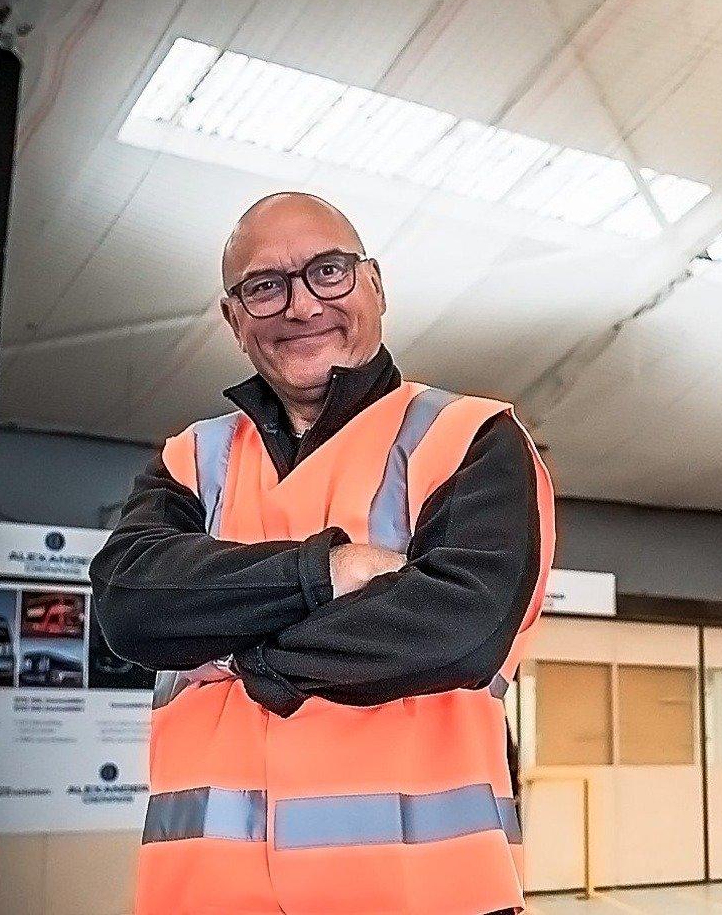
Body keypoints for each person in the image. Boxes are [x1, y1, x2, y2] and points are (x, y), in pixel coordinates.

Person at [90, 192, 553, 915]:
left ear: (376, 284)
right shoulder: (193, 459)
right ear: (233, 318)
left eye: (329, 272)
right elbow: (130, 609)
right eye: (265, 286)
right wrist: (325, 573)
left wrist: (243, 654)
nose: (301, 306)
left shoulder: (470, 439)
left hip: (420, 897)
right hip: (204, 899)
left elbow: (458, 627)